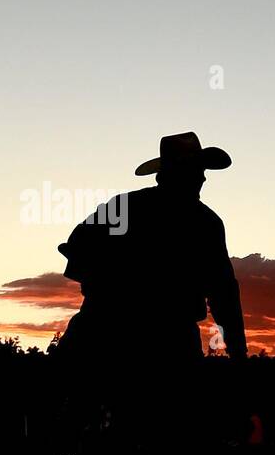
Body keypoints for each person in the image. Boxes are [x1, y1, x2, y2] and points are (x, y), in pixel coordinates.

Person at [56, 132, 246, 367]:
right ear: (177, 172)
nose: (203, 179)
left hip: (101, 339)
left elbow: (76, 255)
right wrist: (239, 352)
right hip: (165, 348)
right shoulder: (205, 223)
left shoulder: (122, 207)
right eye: (197, 170)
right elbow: (223, 294)